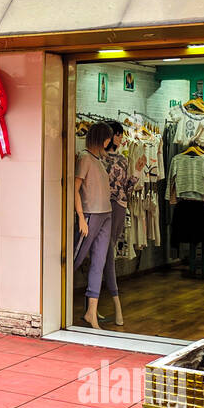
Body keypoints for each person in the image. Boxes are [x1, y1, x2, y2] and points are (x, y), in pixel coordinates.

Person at [73, 122, 116, 330]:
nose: (109, 142)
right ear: (100, 138)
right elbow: (75, 188)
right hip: (90, 214)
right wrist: (81, 216)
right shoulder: (84, 158)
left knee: (99, 262)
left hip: (105, 213)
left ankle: (91, 312)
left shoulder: (99, 160)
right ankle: (54, 301)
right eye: (107, 138)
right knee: (76, 258)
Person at [101, 121, 135, 326]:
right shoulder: (98, 159)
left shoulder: (123, 159)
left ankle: (97, 306)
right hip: (101, 207)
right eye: (119, 134)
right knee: (105, 254)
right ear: (112, 136)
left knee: (108, 252)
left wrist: (137, 173)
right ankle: (115, 305)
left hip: (119, 206)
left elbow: (126, 188)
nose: (122, 138)